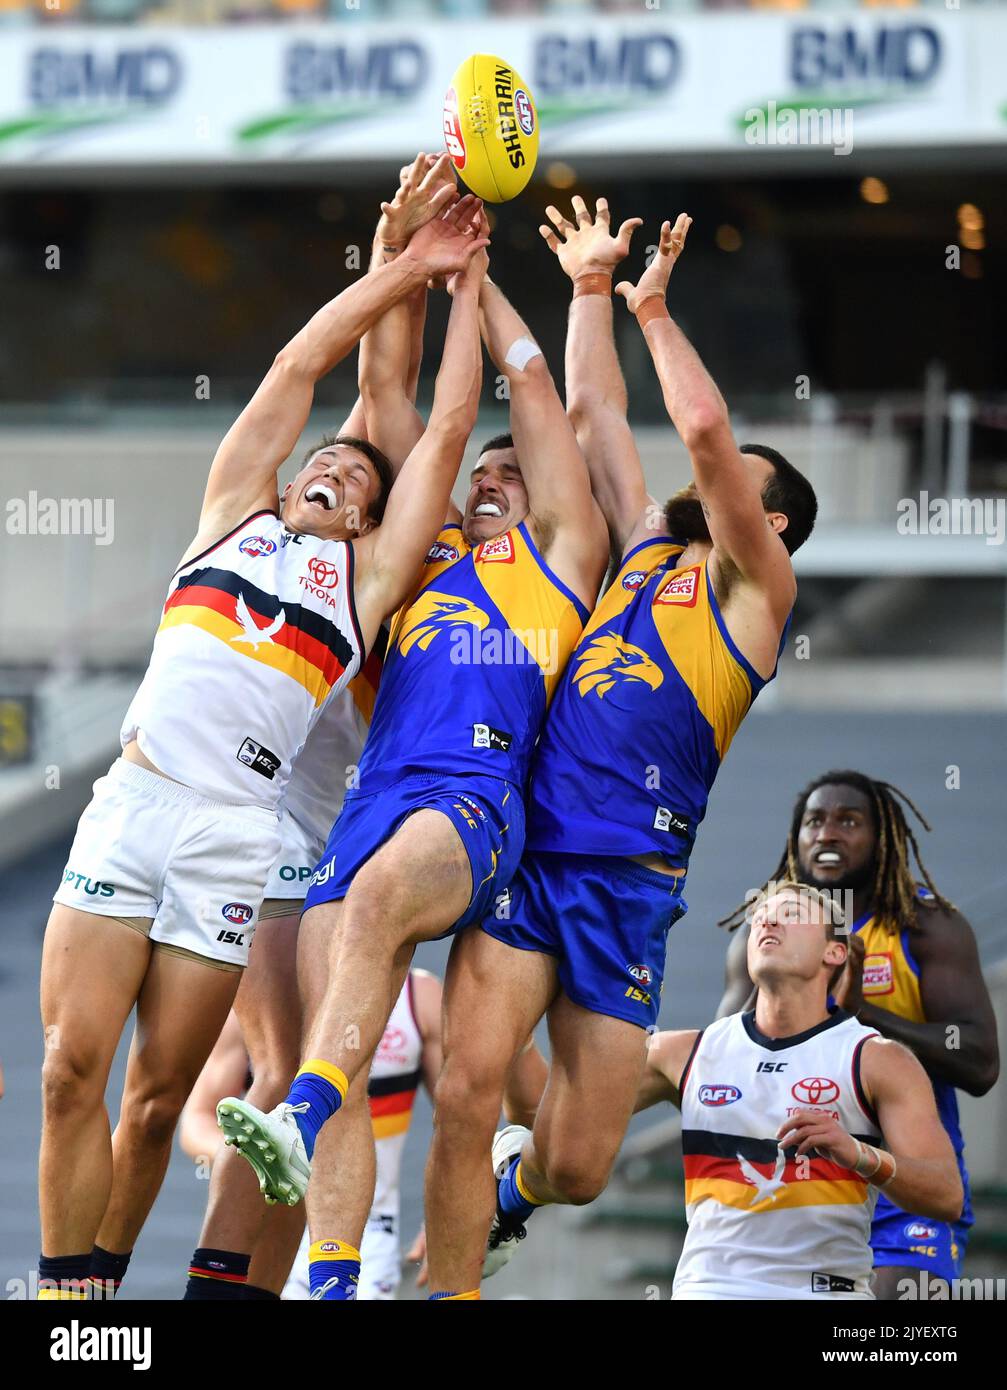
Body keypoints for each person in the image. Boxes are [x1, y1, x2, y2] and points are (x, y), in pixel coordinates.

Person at [37, 190, 489, 1300]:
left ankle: (224, 1287)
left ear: (377, 519)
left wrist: (457, 283)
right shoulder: (234, 508)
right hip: (143, 802)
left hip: (270, 826)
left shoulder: (373, 579)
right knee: (67, 1074)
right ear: (289, 478)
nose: (340, 469)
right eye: (325, 462)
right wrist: (403, 261)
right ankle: (71, 1299)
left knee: (186, 1092)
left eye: (362, 479)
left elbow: (424, 421)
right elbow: (308, 367)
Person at [423, 197, 819, 1299]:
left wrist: (650, 308)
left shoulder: (753, 590)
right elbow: (594, 407)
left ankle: (519, 1183)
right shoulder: (644, 538)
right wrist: (591, 289)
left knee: (579, 1166)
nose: (710, 473)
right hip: (532, 847)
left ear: (770, 519)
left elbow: (697, 428)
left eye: (741, 476)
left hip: (630, 882)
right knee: (464, 1086)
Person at [219, 218, 609, 1303]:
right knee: (346, 999)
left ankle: (300, 1107)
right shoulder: (412, 557)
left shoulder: (562, 556)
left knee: (375, 929)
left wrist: (474, 282)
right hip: (371, 799)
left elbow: (532, 398)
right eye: (473, 477)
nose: (486, 483)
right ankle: (336, 1275)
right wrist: (405, 247)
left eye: (505, 476)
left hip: (472, 802)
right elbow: (386, 390)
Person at [716, 770, 999, 1297]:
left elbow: (981, 1062)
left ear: (882, 838)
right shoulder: (763, 939)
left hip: (901, 1179)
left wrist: (864, 1014)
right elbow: (713, 1068)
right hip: (798, 1183)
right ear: (796, 840)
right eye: (815, 822)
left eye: (849, 821)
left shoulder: (928, 926)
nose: (828, 834)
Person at [611, 883, 962, 1298]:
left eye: (792, 914)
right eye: (759, 917)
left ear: (834, 953)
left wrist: (858, 1154)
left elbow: (946, 1195)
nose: (768, 921)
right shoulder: (683, 1052)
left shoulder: (878, 1059)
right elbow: (559, 1115)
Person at [180, 970, 442, 1302]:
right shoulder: (259, 992)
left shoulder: (419, 996)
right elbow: (197, 1120)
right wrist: (261, 1157)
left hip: (365, 1232)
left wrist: (445, 1223)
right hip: (268, 1220)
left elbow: (456, 1119)